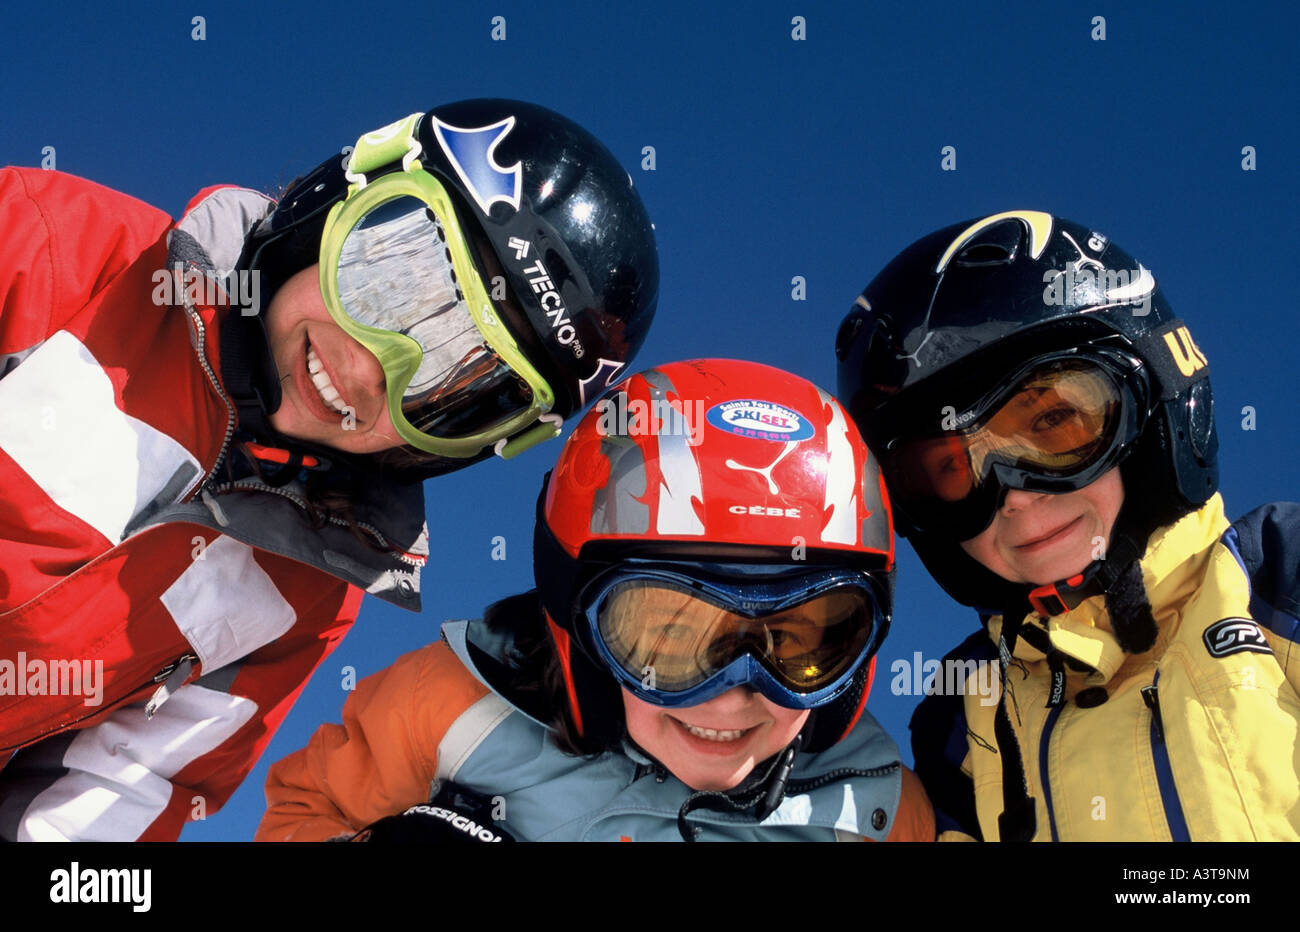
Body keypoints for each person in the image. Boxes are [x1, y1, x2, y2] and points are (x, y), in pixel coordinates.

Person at [0, 99, 658, 841]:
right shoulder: (50, 251)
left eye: (461, 387)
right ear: (333, 198)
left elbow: (126, 785)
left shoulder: (309, 586)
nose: (375, 368)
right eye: (393, 282)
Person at [256, 359, 935, 842]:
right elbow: (307, 808)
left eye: (796, 645)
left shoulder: (877, 809)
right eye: (671, 636)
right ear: (575, 620)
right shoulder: (455, 710)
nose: (733, 696)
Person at [835, 209, 1300, 841]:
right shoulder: (963, 719)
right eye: (949, 473)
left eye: (1054, 425)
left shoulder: (1278, 580)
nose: (1013, 499)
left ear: (1154, 417)